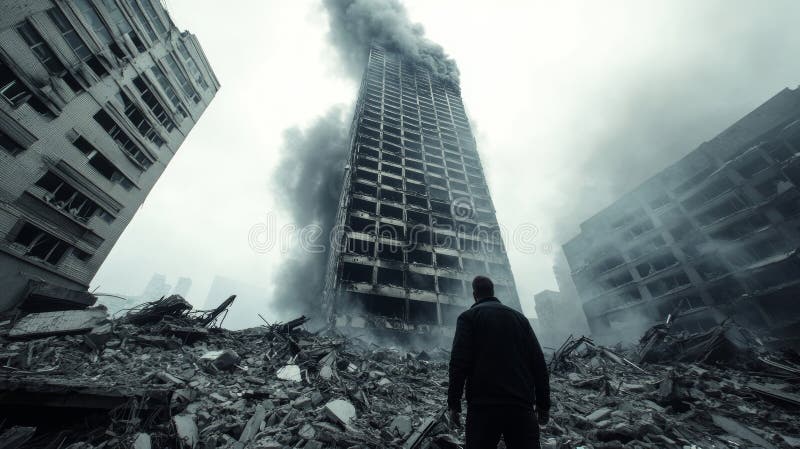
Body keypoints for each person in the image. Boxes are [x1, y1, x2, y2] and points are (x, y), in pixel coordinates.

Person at [447, 275, 551, 449]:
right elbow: (538, 364)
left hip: (483, 408)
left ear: (474, 295)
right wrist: (543, 405)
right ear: (493, 292)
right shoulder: (520, 319)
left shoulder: (468, 318)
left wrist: (454, 404)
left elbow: (458, 364)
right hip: (520, 406)